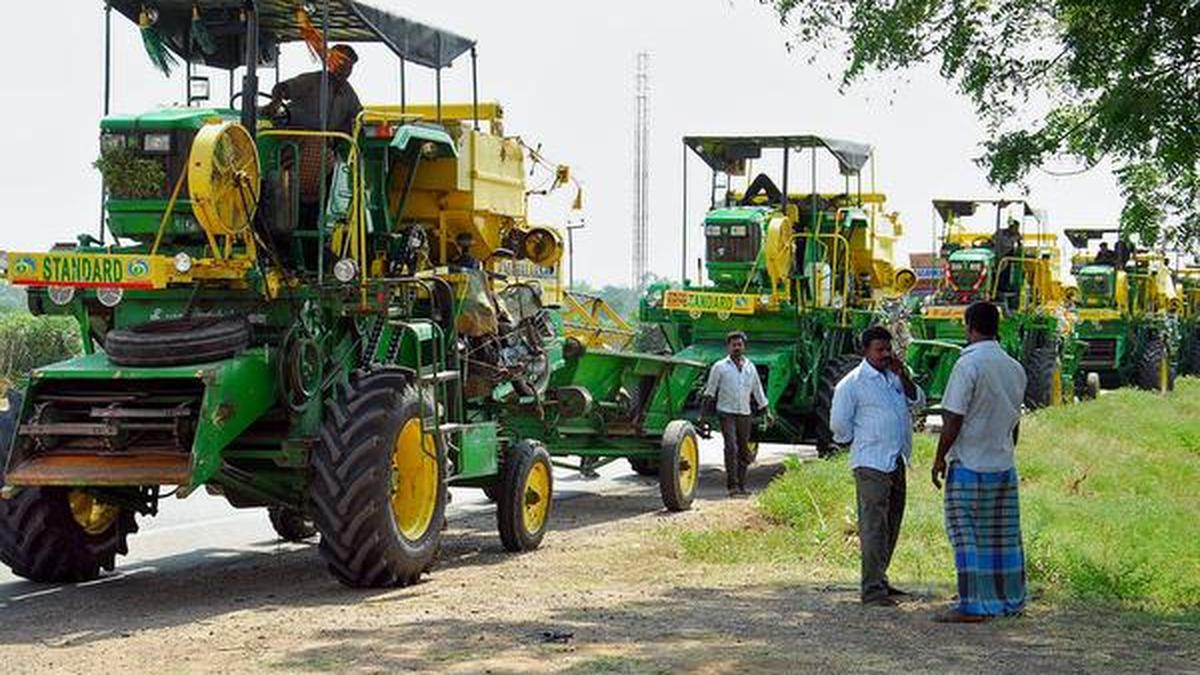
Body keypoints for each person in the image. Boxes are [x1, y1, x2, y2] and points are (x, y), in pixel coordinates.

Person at [931, 301, 1028, 623]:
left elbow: (953, 417)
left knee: (965, 537)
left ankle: (972, 605)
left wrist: (939, 457)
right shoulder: (1014, 367)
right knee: (1002, 539)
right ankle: (1009, 599)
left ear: (969, 326)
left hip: (969, 464)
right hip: (1002, 465)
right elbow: (1015, 422)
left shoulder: (967, 364)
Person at [830, 325, 926, 607]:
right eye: (879, 350)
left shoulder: (894, 378)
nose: (885, 354)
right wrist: (861, 441)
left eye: (888, 349)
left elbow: (918, 401)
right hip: (871, 463)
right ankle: (871, 589)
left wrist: (903, 375)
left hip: (896, 460)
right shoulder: (852, 383)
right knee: (873, 527)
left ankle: (880, 579)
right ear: (865, 351)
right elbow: (839, 425)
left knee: (891, 524)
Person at [262, 45, 363, 222]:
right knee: (317, 148)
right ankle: (295, 201)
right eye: (341, 62)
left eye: (349, 66)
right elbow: (281, 88)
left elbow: (358, 118)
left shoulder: (348, 94)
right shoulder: (313, 81)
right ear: (330, 61)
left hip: (321, 146)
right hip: (292, 137)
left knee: (333, 160)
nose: (344, 68)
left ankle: (314, 215)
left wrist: (345, 134)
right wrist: (275, 103)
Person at [701, 331, 769, 497]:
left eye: (739, 344)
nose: (737, 347)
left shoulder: (750, 367)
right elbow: (710, 392)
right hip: (726, 412)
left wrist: (766, 411)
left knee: (744, 450)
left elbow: (758, 391)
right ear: (728, 347)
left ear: (744, 347)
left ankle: (742, 486)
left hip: (744, 413)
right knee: (731, 447)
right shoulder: (719, 367)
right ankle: (732, 486)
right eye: (734, 345)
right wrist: (703, 416)